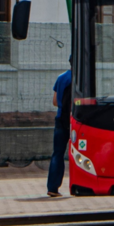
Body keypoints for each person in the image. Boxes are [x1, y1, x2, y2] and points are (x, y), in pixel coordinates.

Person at [47, 66, 72, 197]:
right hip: (75, 120)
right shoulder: (81, 78)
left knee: (58, 153)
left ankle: (53, 187)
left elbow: (55, 101)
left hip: (60, 119)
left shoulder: (61, 77)